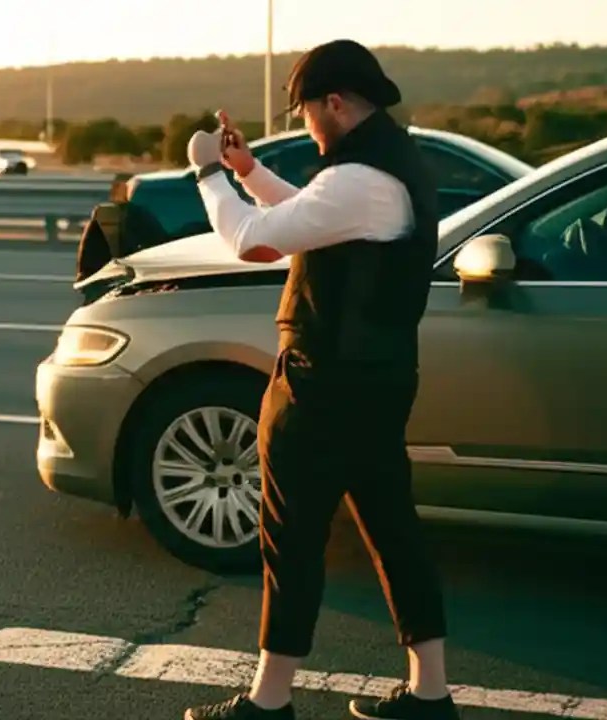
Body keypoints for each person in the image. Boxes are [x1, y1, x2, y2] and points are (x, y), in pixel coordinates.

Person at [180, 40, 457, 720]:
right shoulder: (392, 164)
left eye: (306, 110)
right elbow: (312, 214)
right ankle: (430, 692)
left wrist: (207, 173)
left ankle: (269, 704)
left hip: (321, 384)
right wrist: (249, 171)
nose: (304, 123)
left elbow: (258, 240)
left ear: (334, 103)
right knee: (394, 531)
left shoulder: (359, 180)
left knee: (292, 539)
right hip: (380, 376)